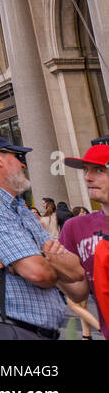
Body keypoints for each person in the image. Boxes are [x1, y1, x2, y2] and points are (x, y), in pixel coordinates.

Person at [0, 133, 84, 340]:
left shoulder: (18, 207)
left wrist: (35, 258)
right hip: (5, 330)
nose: (23, 165)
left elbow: (78, 280)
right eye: (16, 156)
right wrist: (46, 261)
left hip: (31, 332)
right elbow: (40, 274)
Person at [57, 142, 109, 337]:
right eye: (86, 170)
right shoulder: (75, 227)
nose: (87, 177)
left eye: (99, 170)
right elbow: (79, 292)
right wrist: (54, 266)